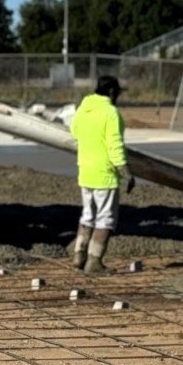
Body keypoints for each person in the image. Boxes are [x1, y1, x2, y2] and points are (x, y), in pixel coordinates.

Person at [69, 75, 136, 273]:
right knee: (105, 218)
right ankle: (94, 261)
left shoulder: (84, 108)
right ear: (112, 92)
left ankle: (79, 255)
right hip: (104, 175)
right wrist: (125, 172)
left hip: (85, 172)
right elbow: (114, 145)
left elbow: (74, 131)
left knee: (87, 215)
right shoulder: (110, 112)